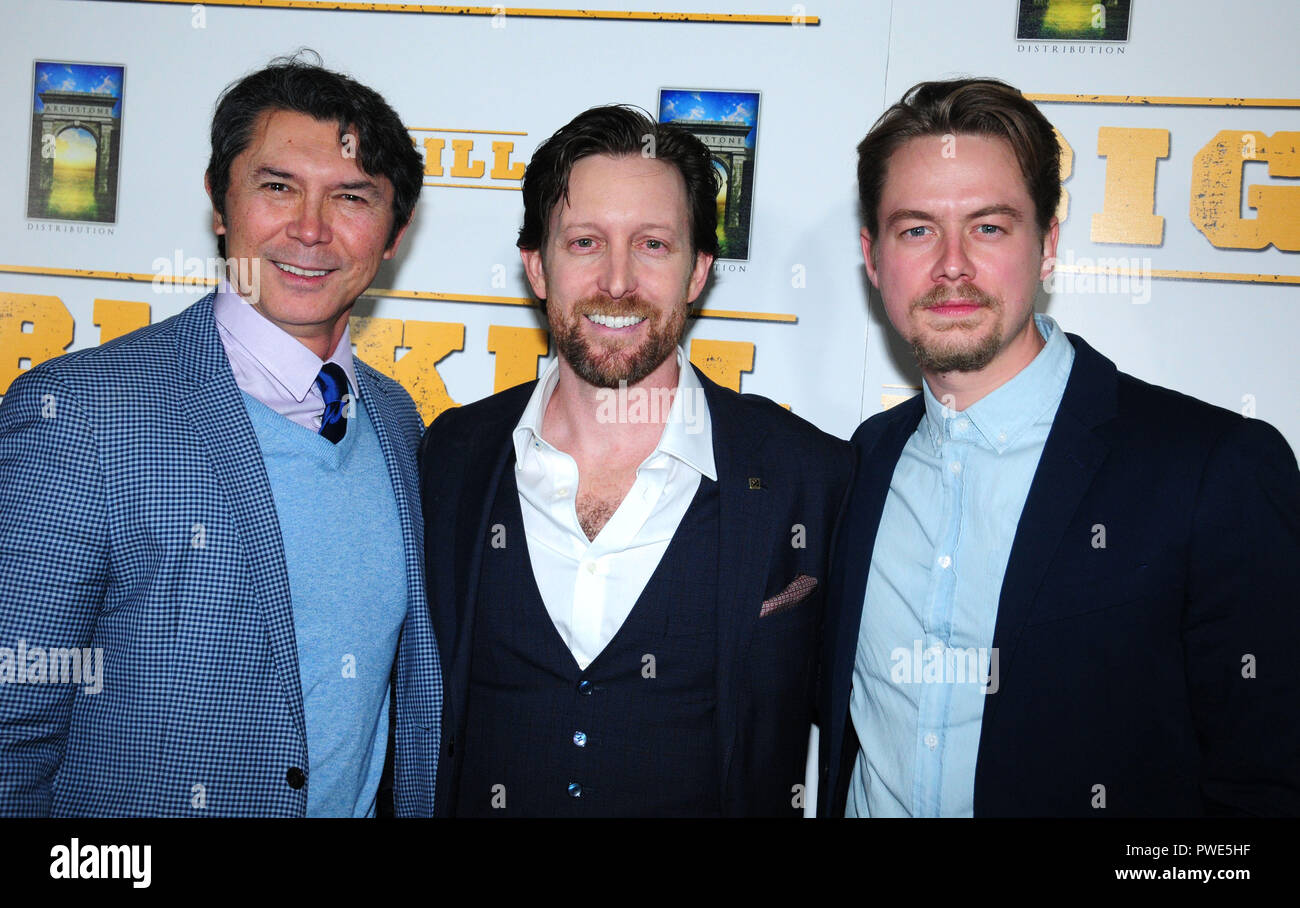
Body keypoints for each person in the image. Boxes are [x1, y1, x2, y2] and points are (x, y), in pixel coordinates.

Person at [818, 77, 1300, 817]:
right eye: (916, 230)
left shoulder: (1212, 469)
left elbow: (1267, 784)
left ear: (1046, 246)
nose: (952, 265)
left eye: (989, 227)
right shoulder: (862, 462)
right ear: (873, 257)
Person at [0, 55, 440, 816]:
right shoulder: (80, 413)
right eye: (277, 187)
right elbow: (11, 723)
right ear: (218, 201)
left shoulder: (399, 421)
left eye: (351, 197)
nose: (310, 229)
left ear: (394, 231)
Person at [420, 105, 851, 817]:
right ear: (537, 267)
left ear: (698, 271)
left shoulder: (810, 477)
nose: (617, 281)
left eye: (652, 244)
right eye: (585, 242)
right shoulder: (449, 457)